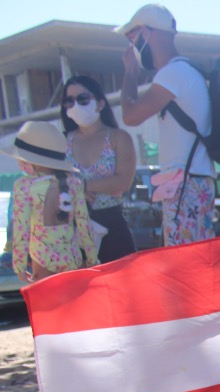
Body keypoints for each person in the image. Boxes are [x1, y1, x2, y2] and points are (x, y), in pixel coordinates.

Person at [116, 4, 215, 246]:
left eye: (133, 36)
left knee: (185, 263)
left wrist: (130, 73)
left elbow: (131, 115)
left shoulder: (173, 74)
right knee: (194, 258)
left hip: (185, 183)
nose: (132, 44)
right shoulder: (188, 71)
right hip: (193, 181)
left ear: (149, 33)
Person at [4, 121, 99, 283]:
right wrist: (91, 259)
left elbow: (21, 229)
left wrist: (19, 266)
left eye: (22, 159)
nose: (19, 163)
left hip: (42, 261)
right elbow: (85, 225)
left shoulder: (24, 186)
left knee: (48, 306)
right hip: (72, 258)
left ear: (34, 160)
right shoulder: (74, 183)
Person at [61, 75, 138, 263]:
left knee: (121, 290)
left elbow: (123, 182)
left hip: (112, 224)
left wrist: (82, 186)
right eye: (69, 101)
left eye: (83, 99)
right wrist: (73, 189)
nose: (75, 105)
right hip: (72, 228)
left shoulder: (119, 138)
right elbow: (53, 182)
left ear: (100, 104)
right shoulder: (61, 141)